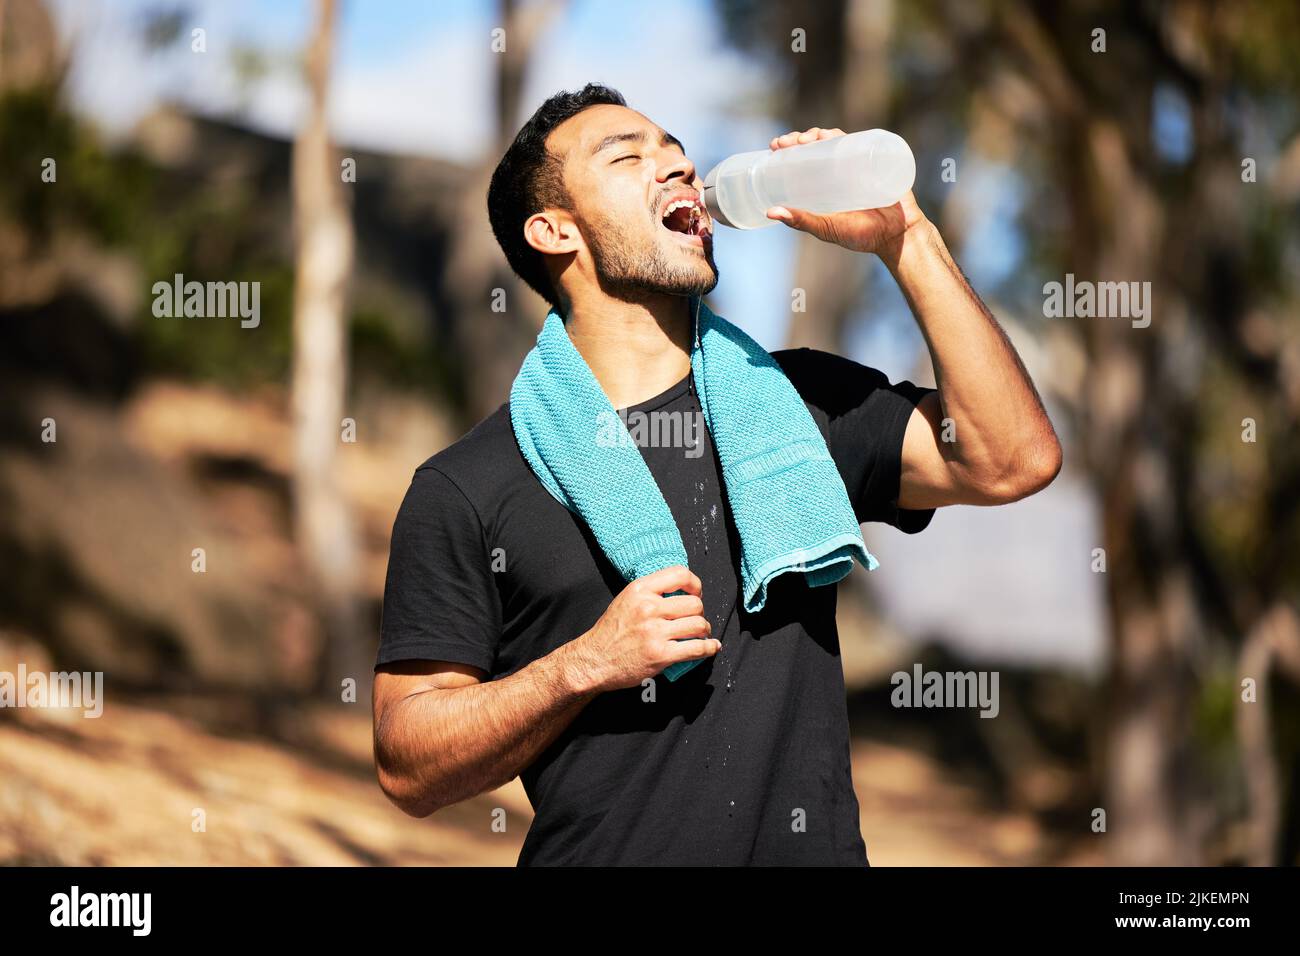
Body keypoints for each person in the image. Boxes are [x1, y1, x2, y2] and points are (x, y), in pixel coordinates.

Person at [372, 83, 1061, 866]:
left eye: (674, 150)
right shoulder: (472, 483)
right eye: (627, 156)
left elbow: (1013, 459)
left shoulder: (797, 404)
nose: (675, 166)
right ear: (554, 229)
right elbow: (406, 760)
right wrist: (582, 666)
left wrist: (909, 239)